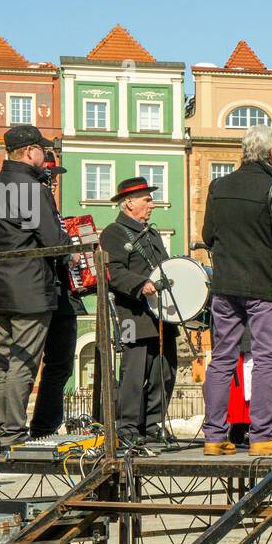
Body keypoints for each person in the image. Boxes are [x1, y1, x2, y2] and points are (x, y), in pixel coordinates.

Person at [200, 124, 272, 457]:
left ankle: (214, 435)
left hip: (225, 286)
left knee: (221, 360)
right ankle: (262, 435)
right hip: (263, 286)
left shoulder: (218, 186)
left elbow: (209, 234)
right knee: (267, 359)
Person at [0, 125, 70, 453]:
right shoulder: (31, 188)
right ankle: (15, 435)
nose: (46, 155)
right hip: (29, 287)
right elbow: (54, 242)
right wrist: (70, 238)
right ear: (30, 151)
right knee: (24, 360)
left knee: (2, 360)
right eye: (43, 150)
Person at [100, 177, 178, 448]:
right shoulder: (114, 232)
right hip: (133, 314)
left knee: (164, 370)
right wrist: (139, 284)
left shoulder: (152, 233)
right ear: (128, 203)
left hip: (161, 313)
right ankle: (128, 426)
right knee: (134, 371)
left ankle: (153, 423)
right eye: (146, 199)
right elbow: (113, 272)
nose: (152, 204)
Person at [29, 147, 87, 441]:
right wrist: (72, 254)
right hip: (44, 293)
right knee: (34, 363)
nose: (53, 182)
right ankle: (40, 427)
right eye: (49, 176)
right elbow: (49, 245)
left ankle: (46, 425)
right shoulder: (35, 202)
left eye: (54, 178)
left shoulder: (51, 208)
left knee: (60, 364)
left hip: (63, 297)